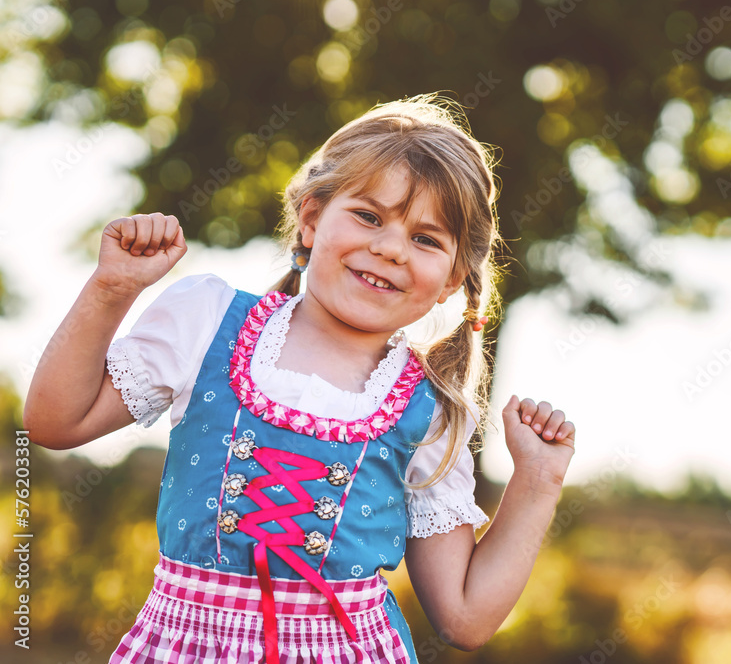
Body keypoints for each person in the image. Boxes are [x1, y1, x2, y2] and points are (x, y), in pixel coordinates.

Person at [23, 95, 576, 663]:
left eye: (426, 239)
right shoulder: (207, 321)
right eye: (368, 215)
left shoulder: (430, 411)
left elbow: (465, 618)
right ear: (311, 219)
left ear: (453, 279)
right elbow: (54, 421)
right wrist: (111, 290)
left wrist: (537, 481)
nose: (389, 248)